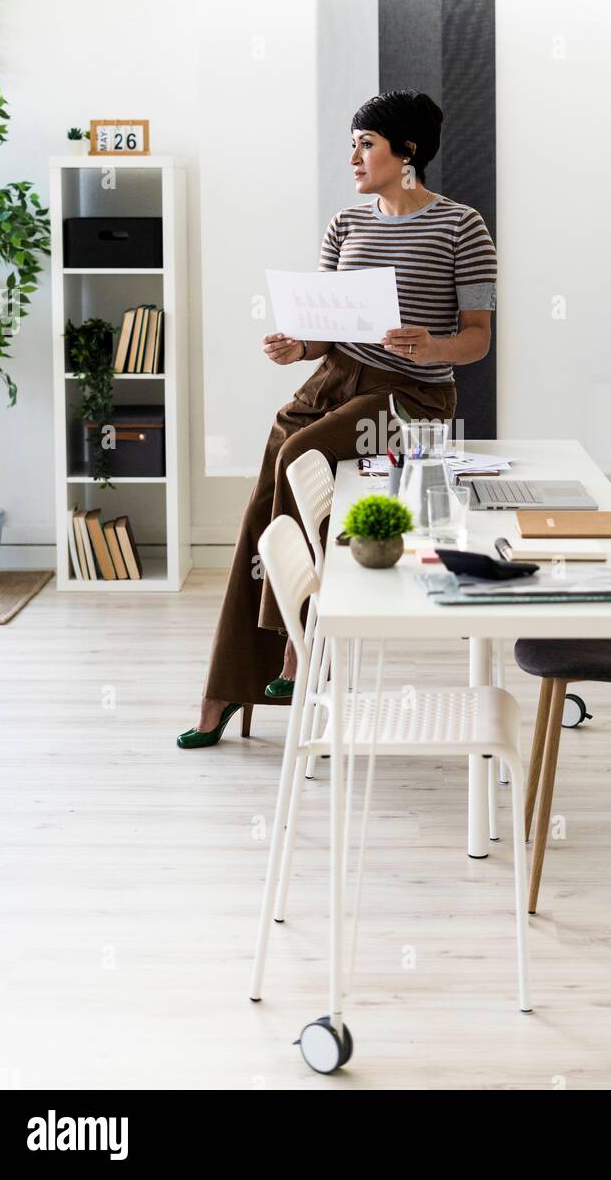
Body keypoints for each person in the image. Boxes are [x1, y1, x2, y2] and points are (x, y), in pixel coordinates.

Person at [177, 89, 497, 748]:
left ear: (406, 152)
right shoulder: (345, 225)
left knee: (302, 459)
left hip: (410, 393)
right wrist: (298, 346)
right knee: (262, 507)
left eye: (366, 143)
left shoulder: (462, 226)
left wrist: (429, 346)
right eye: (351, 142)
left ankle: (297, 653)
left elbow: (477, 338)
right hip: (334, 380)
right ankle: (224, 688)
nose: (353, 155)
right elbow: (324, 332)